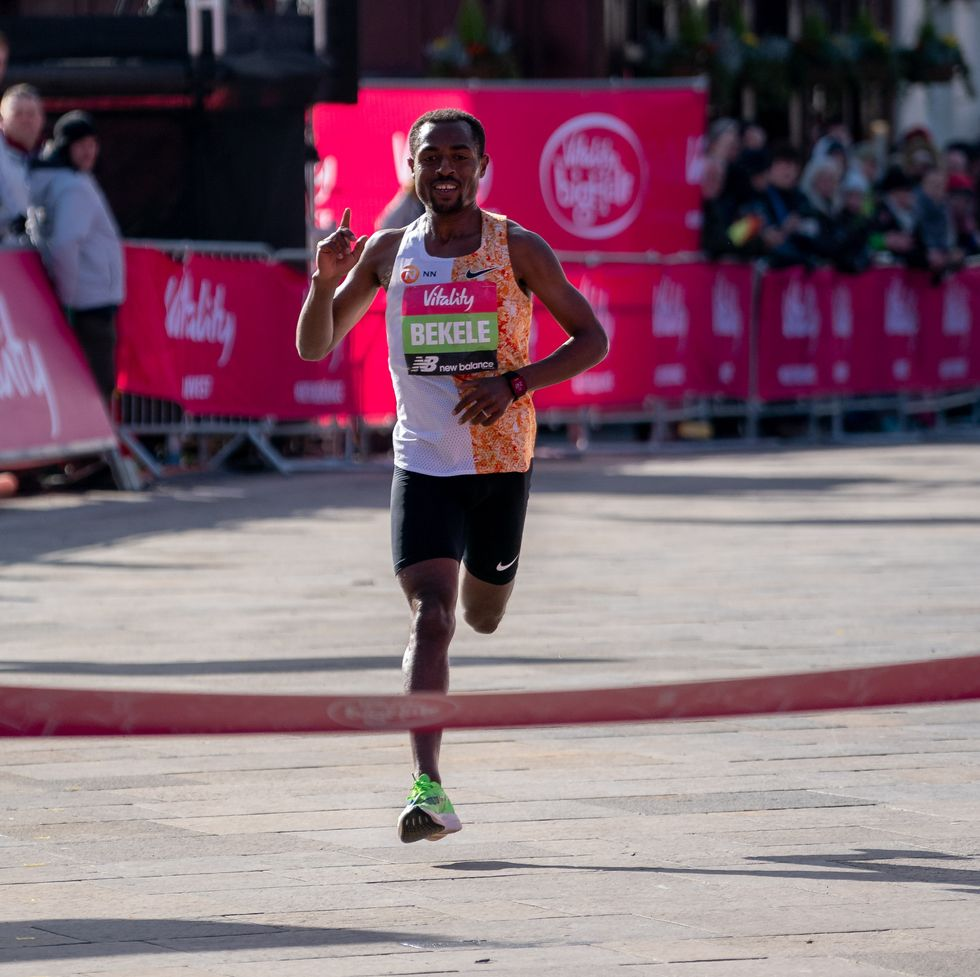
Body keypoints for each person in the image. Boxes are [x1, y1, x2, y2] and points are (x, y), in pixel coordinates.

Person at [295, 108, 608, 843]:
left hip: (501, 462)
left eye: (459, 155)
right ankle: (428, 786)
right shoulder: (385, 251)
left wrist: (516, 382)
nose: (444, 167)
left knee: (483, 614)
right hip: (424, 463)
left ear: (482, 164)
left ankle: (484, 595)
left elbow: (590, 337)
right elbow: (315, 345)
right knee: (431, 617)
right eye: (429, 155)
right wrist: (322, 282)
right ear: (411, 167)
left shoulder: (517, 248)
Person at [28, 110, 125, 404]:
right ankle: (92, 452)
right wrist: (67, 301)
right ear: (64, 147)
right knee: (95, 391)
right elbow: (65, 246)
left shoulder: (61, 181)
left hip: (81, 304)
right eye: (80, 144)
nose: (89, 151)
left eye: (93, 143)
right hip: (87, 308)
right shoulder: (73, 187)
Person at [0, 83, 44, 245]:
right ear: (2, 120)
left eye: (31, 114)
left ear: (41, 118)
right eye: (18, 114)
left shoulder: (51, 156)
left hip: (40, 254)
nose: (26, 120)